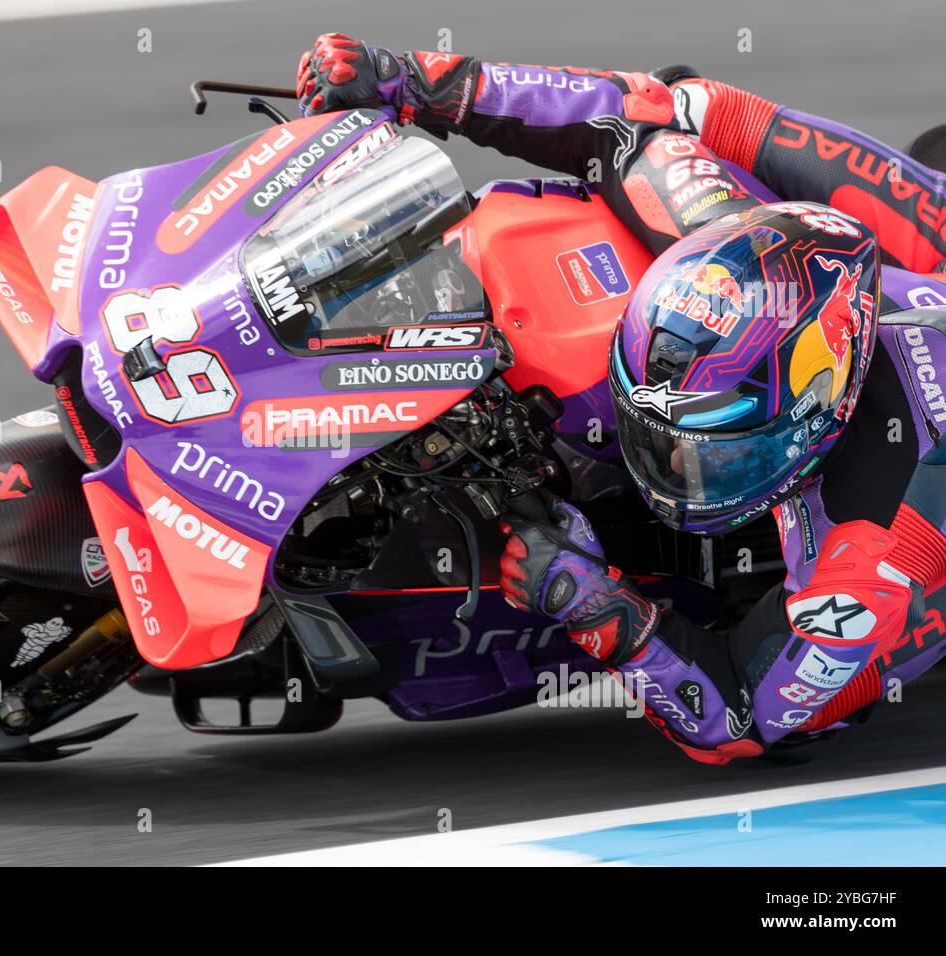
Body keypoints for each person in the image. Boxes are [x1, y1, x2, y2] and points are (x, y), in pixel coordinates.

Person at [297, 34, 946, 762]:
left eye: (708, 454)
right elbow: (628, 113)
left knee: (858, 676)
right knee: (696, 108)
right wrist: (418, 80)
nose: (666, 465)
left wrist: (603, 608)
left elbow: (741, 720)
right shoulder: (706, 221)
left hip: (916, 515)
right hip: (898, 263)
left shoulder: (870, 557)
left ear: (813, 418)